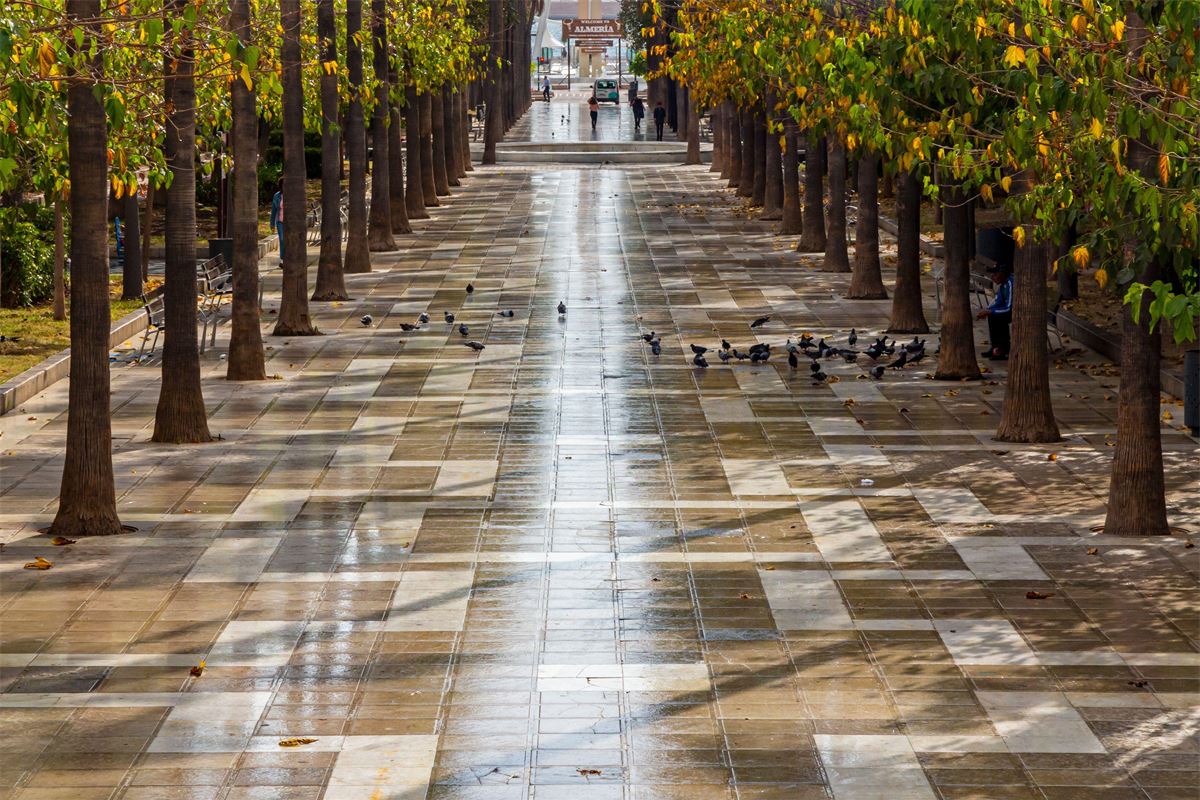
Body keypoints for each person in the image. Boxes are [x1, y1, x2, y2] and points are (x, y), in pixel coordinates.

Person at [977, 263, 1013, 359]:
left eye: (995, 274)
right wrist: (988, 310)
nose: (993, 277)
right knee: (992, 316)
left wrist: (991, 312)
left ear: (1003, 274)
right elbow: (998, 302)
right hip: (1007, 311)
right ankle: (995, 347)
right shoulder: (1003, 284)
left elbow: (1009, 308)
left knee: (995, 317)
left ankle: (1002, 349)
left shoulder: (1010, 283)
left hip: (1016, 312)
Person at [270, 181, 284, 260]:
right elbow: (273, 211)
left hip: (291, 222)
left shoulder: (293, 195)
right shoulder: (277, 196)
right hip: (280, 222)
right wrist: (272, 224)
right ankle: (283, 258)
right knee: (282, 239)